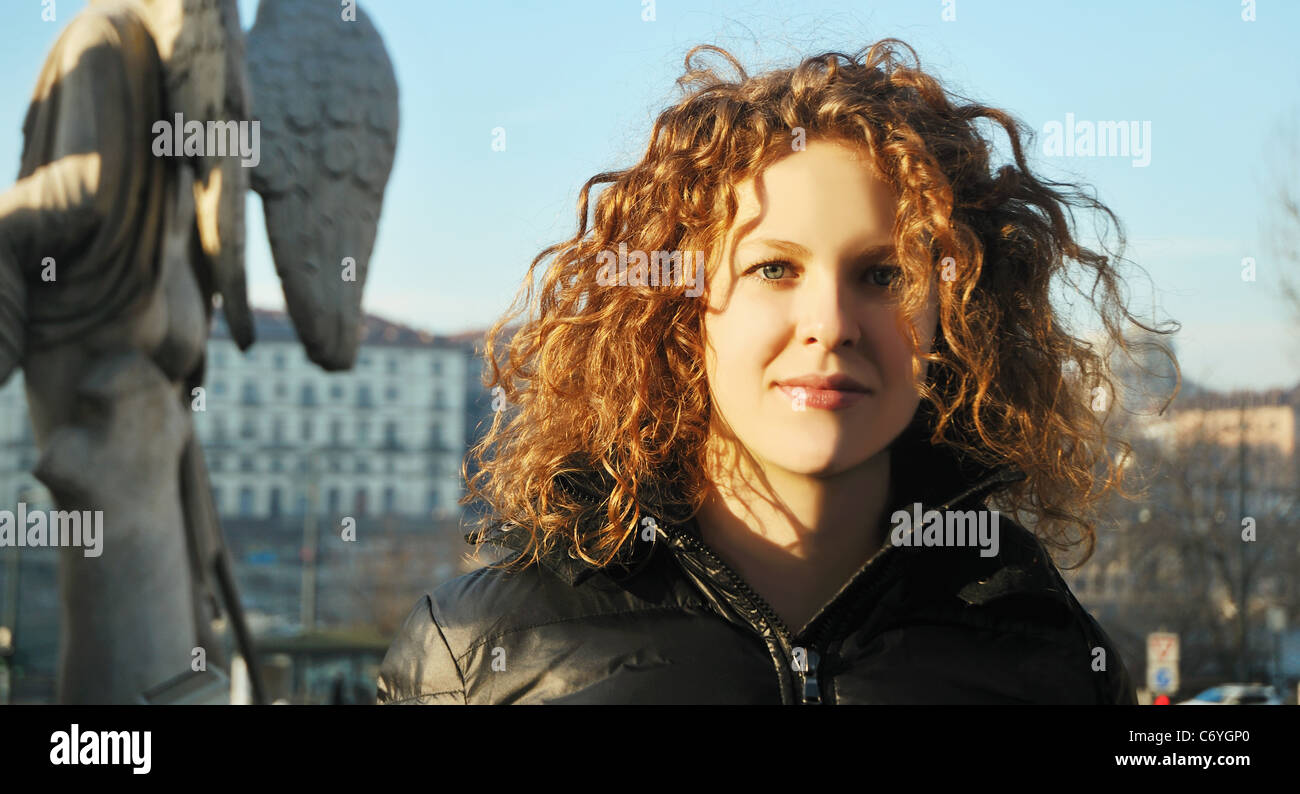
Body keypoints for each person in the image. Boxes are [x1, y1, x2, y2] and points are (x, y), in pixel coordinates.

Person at [377, 39, 1178, 704]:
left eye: (884, 275)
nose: (829, 326)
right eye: (774, 269)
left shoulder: (1051, 657)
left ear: (956, 310)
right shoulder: (475, 657)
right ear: (680, 306)